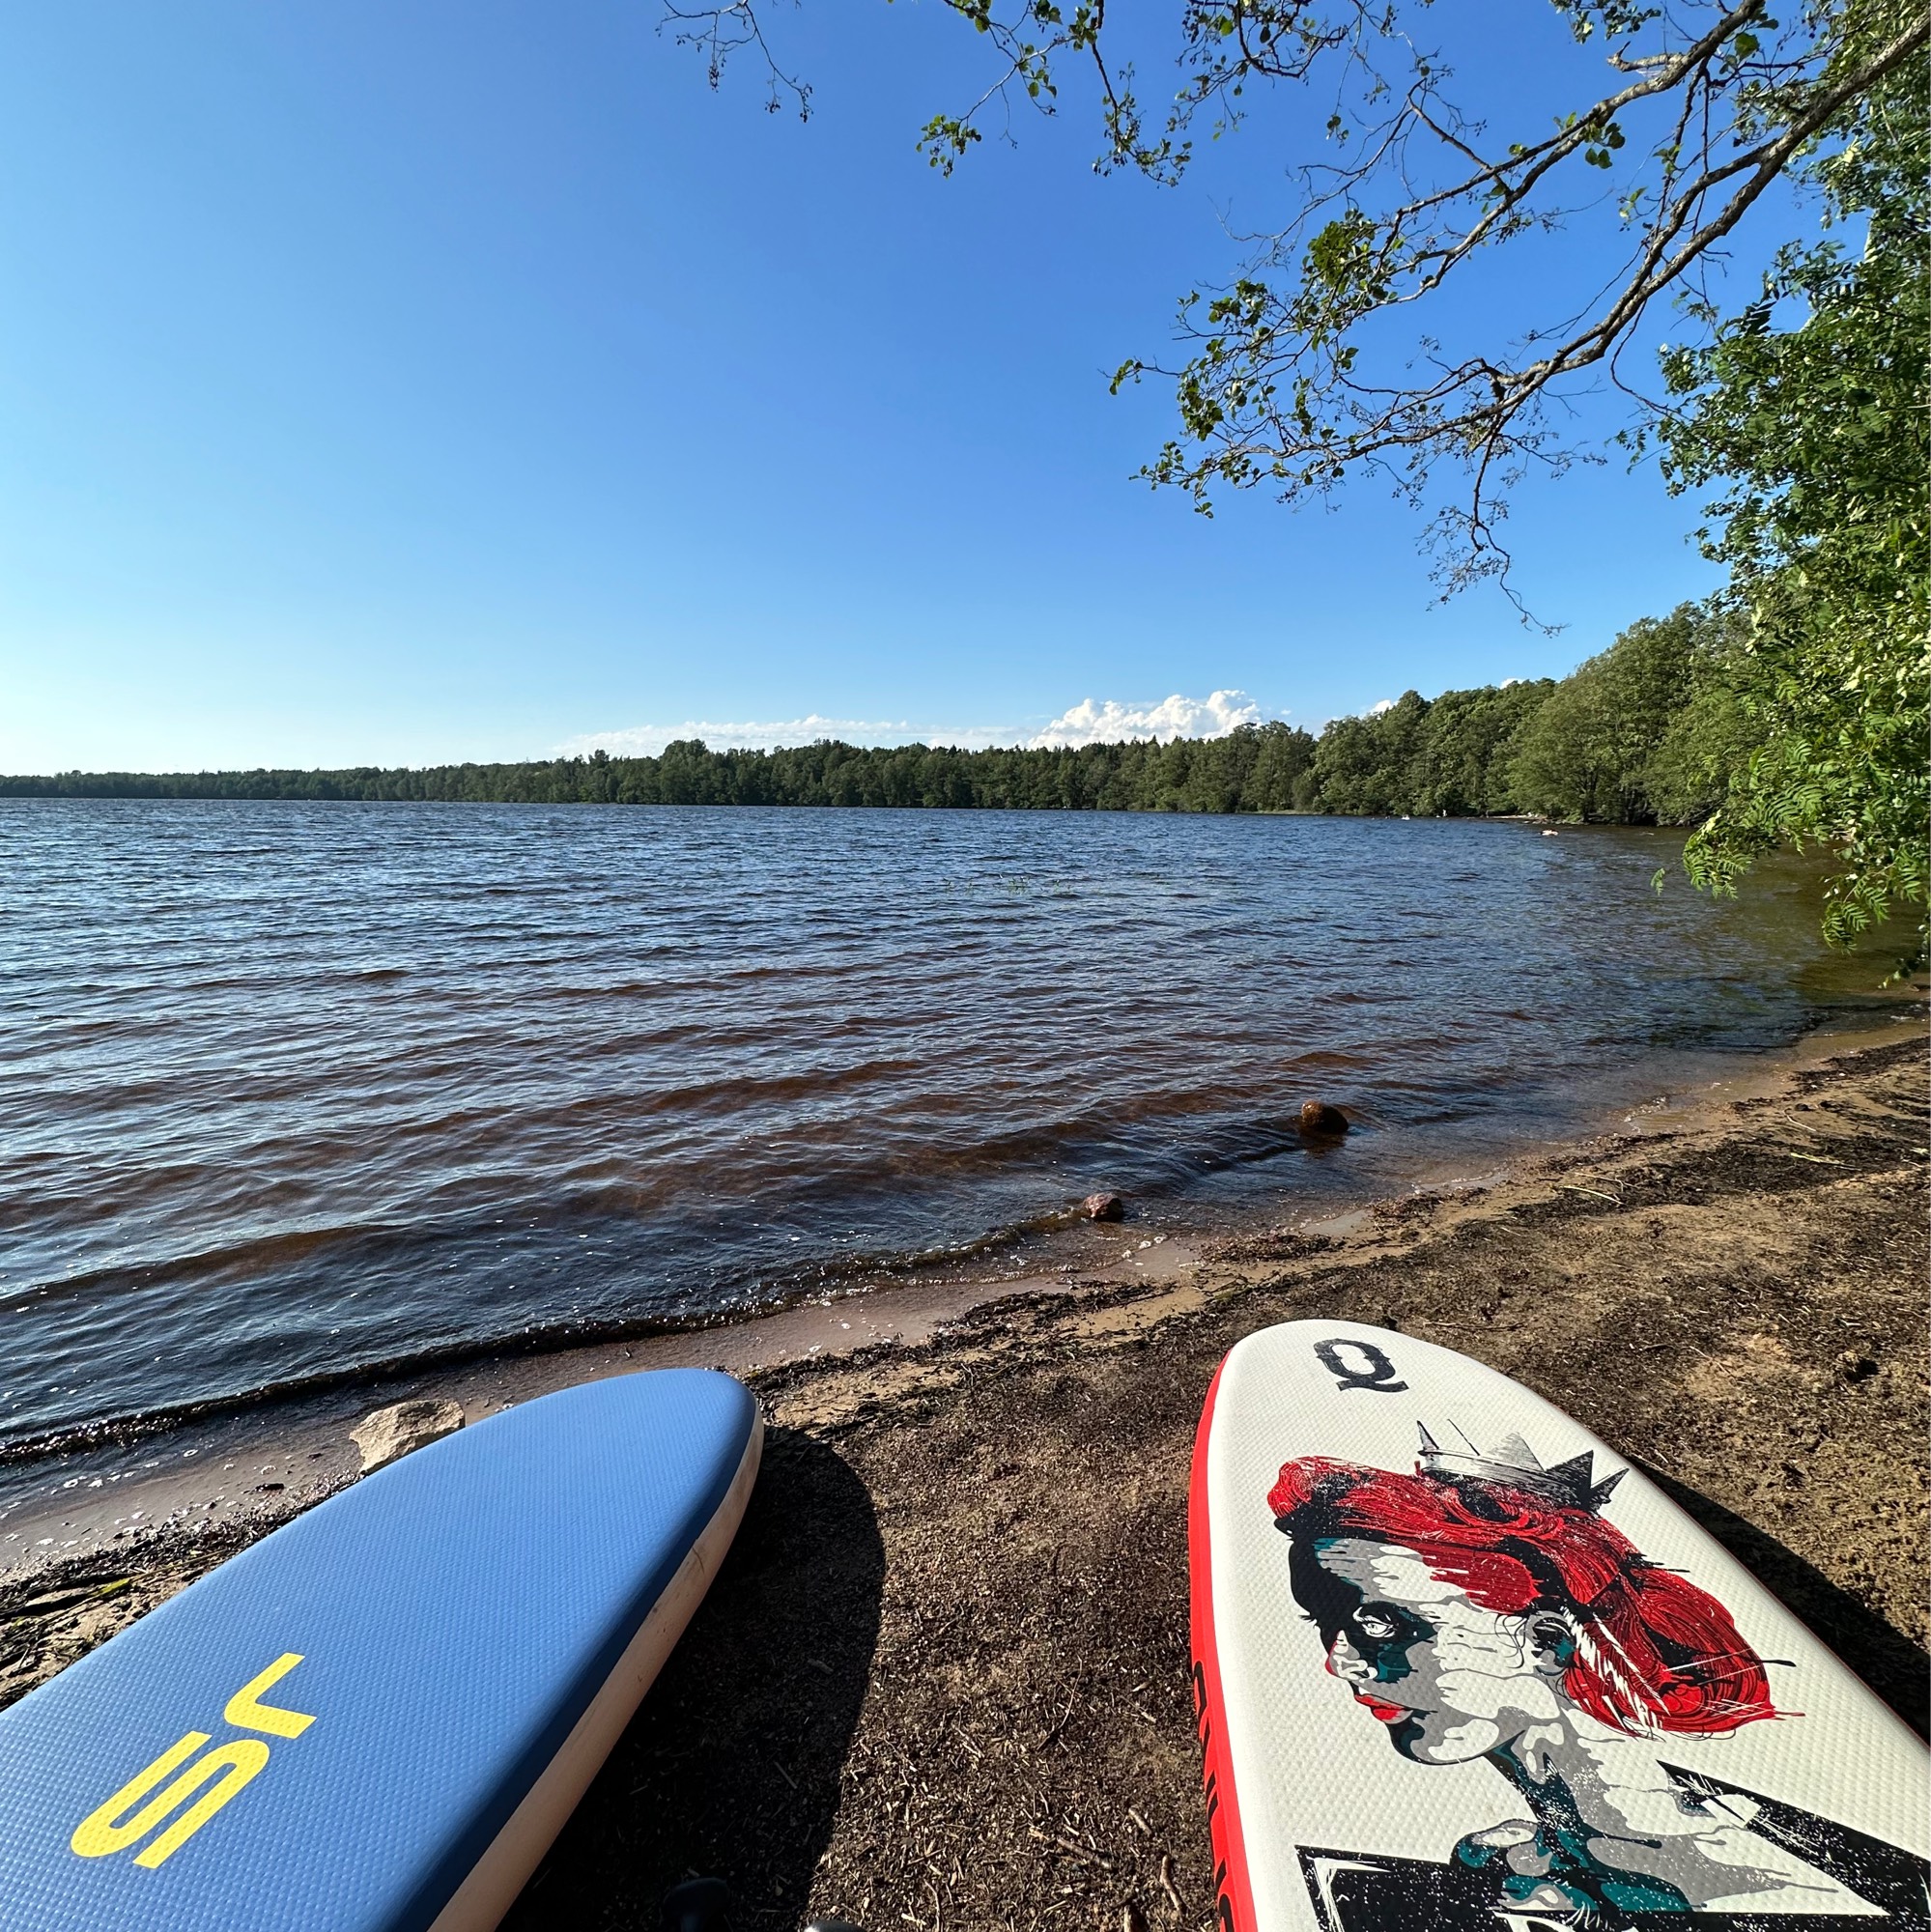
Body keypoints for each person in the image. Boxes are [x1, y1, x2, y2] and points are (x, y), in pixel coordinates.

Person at [1268, 1433, 1858, 1917]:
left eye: (1378, 1625)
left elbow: (1800, 1898)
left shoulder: (1651, 1819)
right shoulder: (1541, 1744)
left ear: (1545, 1643)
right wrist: (1558, 1855)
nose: (1337, 1661)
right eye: (1325, 1620)